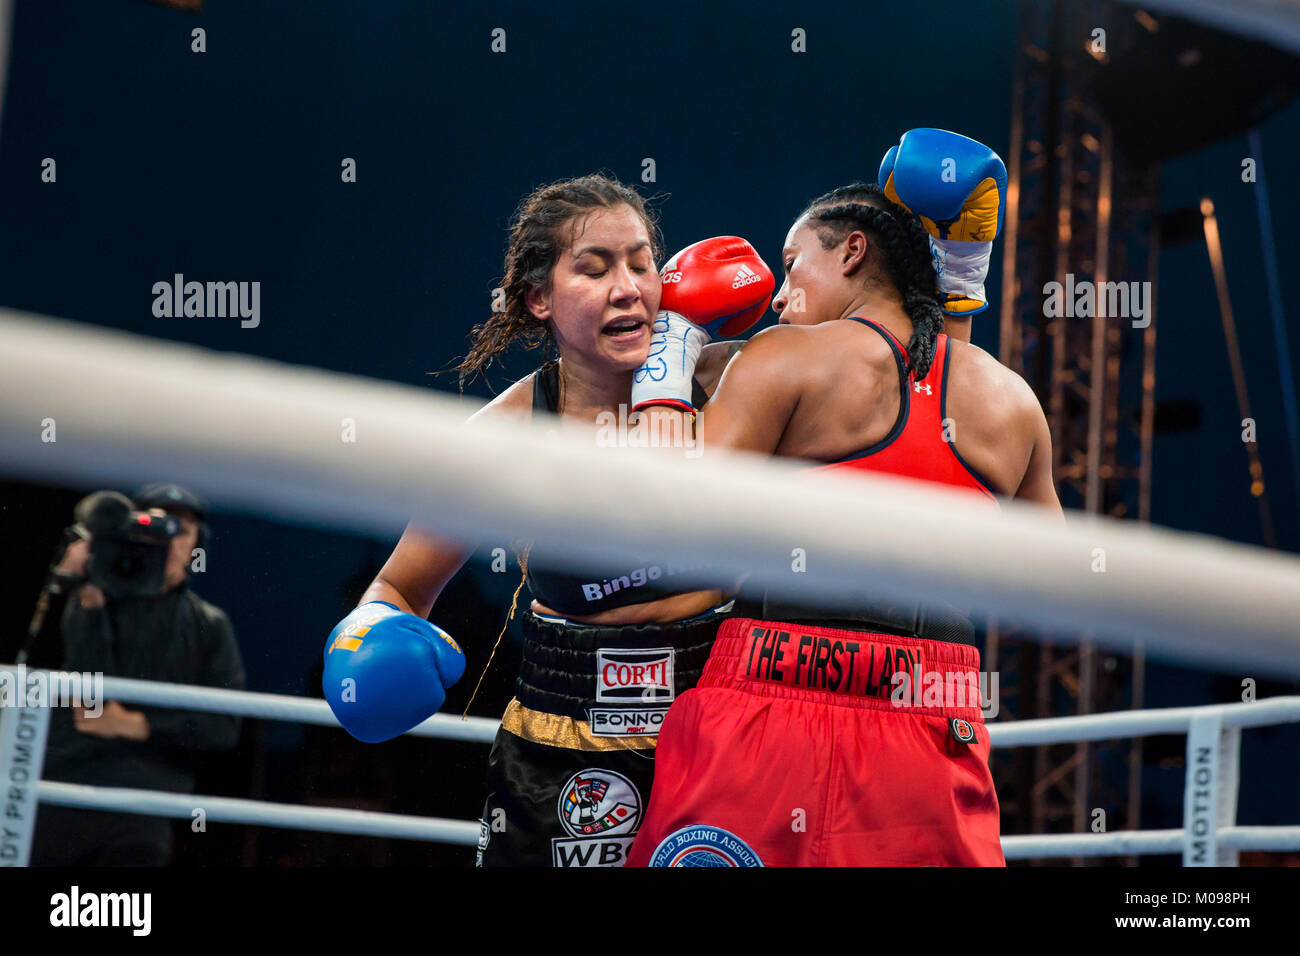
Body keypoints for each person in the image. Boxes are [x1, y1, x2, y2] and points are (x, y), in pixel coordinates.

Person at [626, 130, 1063, 866]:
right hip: (931, 715)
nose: (778, 294)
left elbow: (672, 526)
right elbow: (1043, 597)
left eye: (793, 264)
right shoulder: (1014, 401)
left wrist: (669, 353)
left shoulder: (781, 359)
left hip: (769, 696)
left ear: (853, 252)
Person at [320, 174, 773, 866]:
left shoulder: (737, 384)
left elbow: (887, 373)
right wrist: (369, 637)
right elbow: (400, 589)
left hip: (725, 725)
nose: (627, 287)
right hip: (566, 750)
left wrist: (952, 264)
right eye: (594, 268)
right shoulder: (504, 436)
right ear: (538, 300)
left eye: (642, 262)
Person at [30, 482, 245, 866]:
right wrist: (65, 579)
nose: (171, 538)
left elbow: (224, 726)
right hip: (59, 784)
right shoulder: (84, 594)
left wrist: (137, 724)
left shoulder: (208, 625)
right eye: (159, 525)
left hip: (141, 803)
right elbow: (27, 668)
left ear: (198, 544)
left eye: (184, 529)